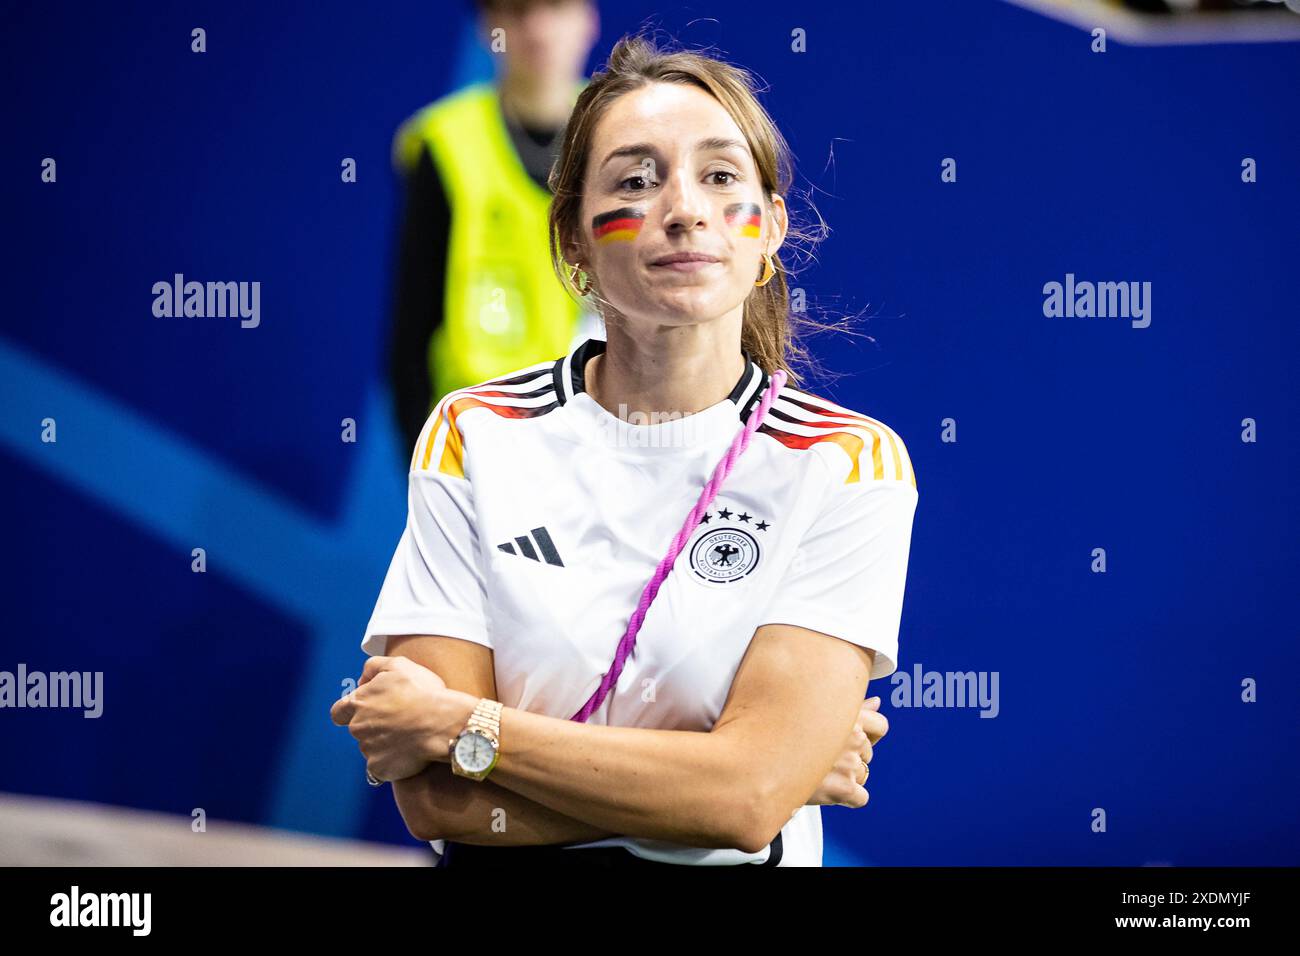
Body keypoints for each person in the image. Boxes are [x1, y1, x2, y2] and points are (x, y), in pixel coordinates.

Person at [334, 32, 919, 867]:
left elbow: (745, 802)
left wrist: (463, 725)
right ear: (572, 240)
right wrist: (741, 776)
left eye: (721, 176)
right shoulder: (474, 433)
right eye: (636, 181)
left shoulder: (847, 460)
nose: (683, 209)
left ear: (772, 229)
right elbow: (437, 798)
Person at [387, 0, 603, 457]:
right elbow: (412, 327)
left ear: (588, 19)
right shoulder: (444, 144)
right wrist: (424, 461)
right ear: (490, 26)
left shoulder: (623, 133)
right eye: (519, 11)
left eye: (557, 9)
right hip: (478, 438)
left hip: (599, 434)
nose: (538, 29)